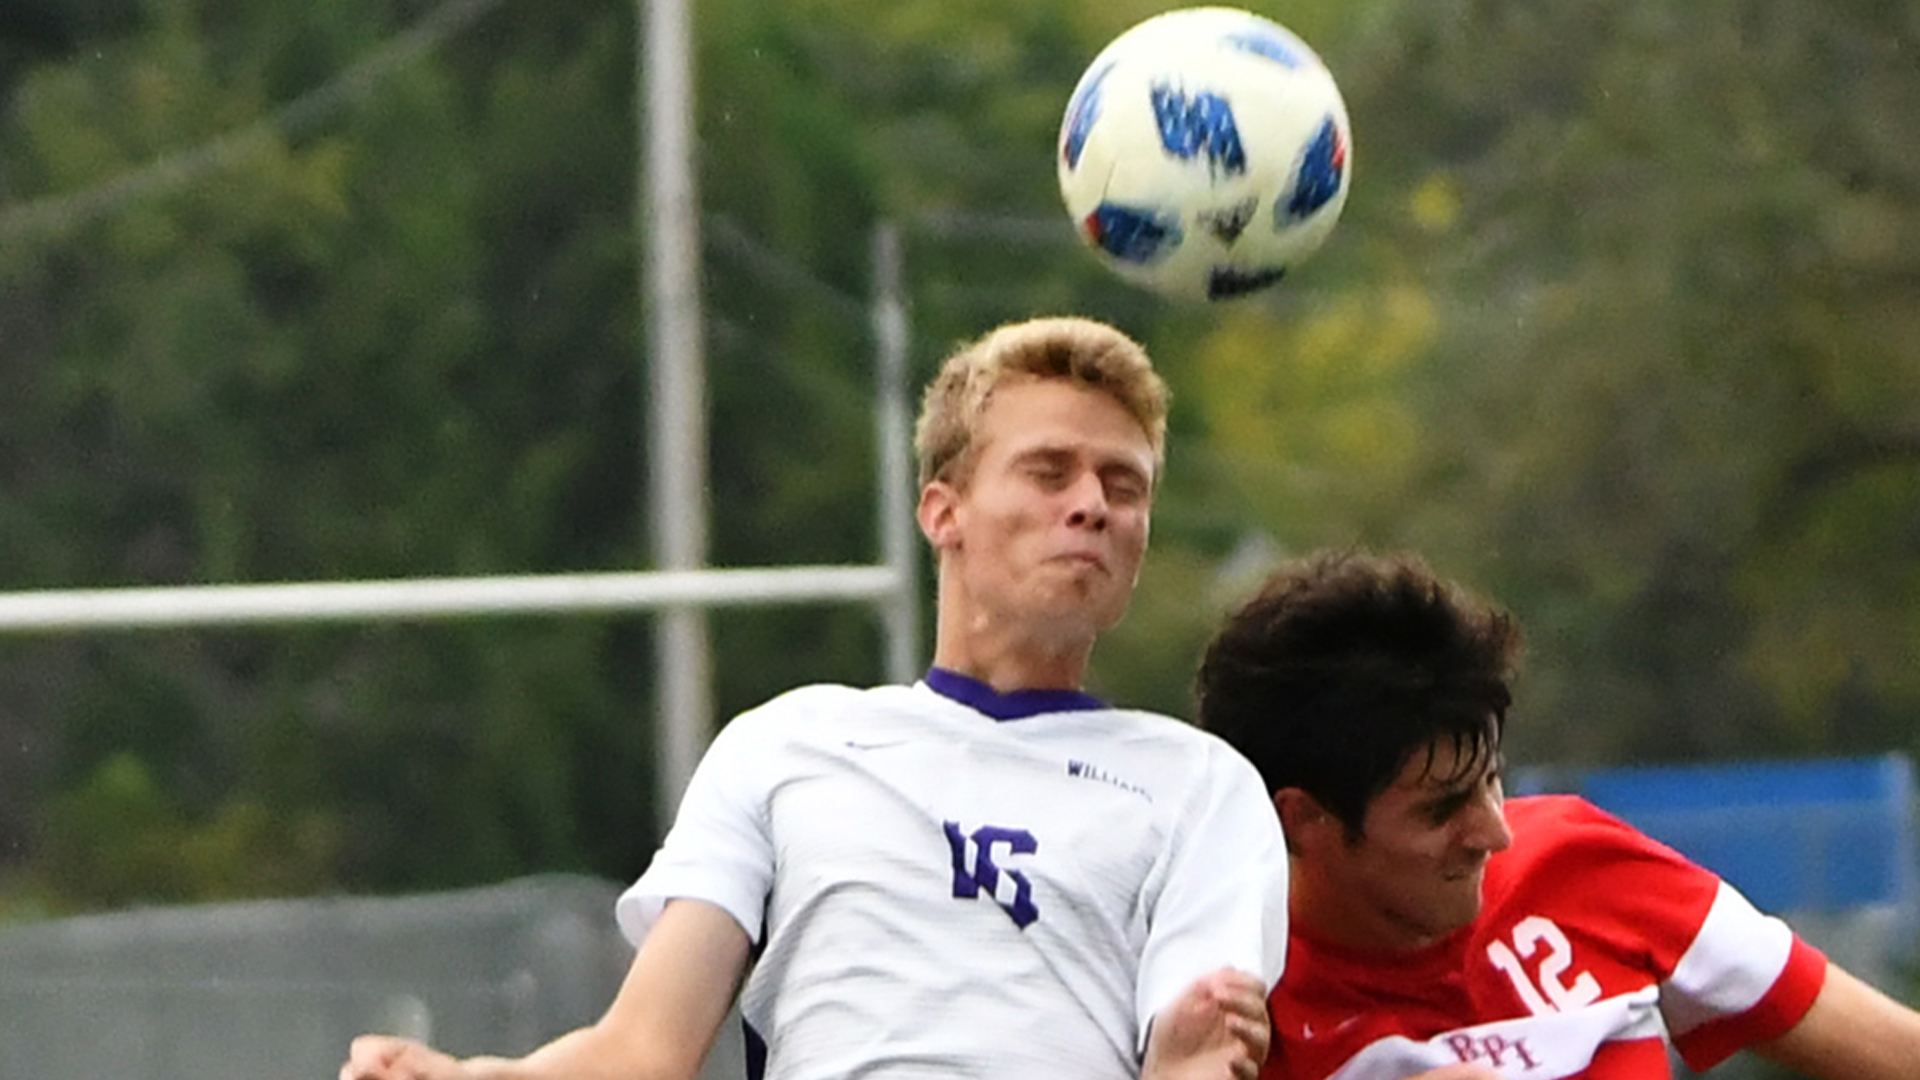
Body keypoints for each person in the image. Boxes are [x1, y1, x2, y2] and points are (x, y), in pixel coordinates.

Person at [340, 316, 1290, 1080]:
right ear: (943, 512)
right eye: (1049, 473)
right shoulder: (788, 746)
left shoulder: (1199, 788)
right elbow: (642, 1053)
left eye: (1124, 486)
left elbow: (1195, 1060)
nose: (1091, 505)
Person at [1194, 549, 1920, 1080]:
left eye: (1491, 781)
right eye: (1442, 810)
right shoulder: (1226, 998)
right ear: (1302, 820)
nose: (1494, 832)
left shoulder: (1582, 861)